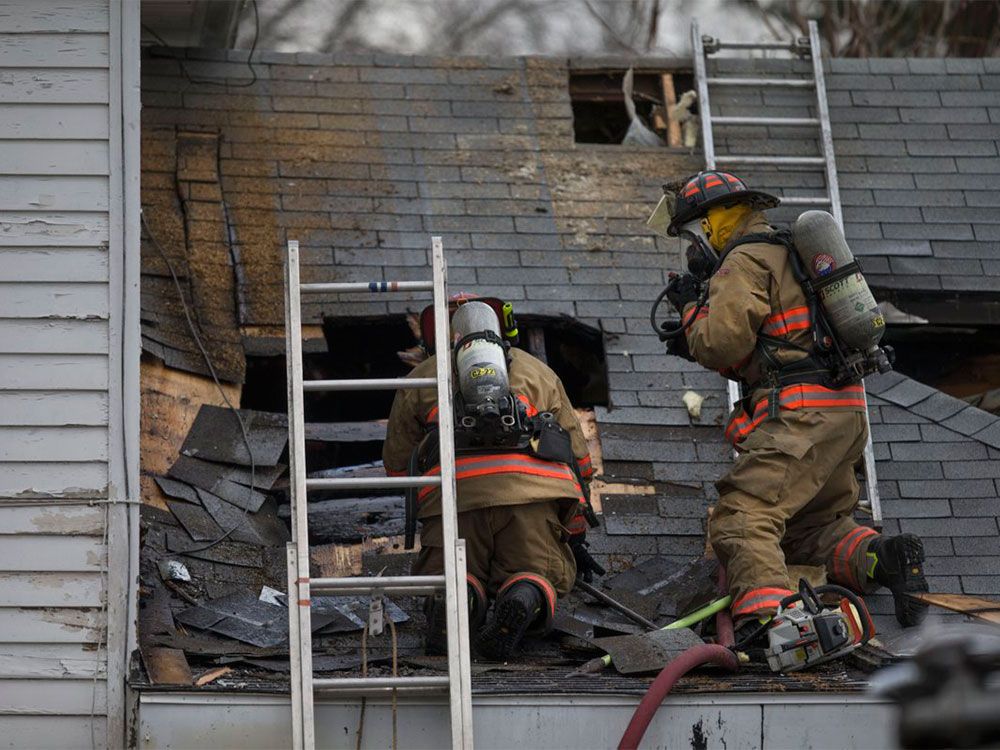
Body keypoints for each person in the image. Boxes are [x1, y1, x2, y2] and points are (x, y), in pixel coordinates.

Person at [657, 170, 928, 641]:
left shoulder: (743, 260)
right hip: (843, 414)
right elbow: (772, 350)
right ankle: (883, 559)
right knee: (806, 530)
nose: (692, 248)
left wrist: (689, 311)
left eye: (691, 235)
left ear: (712, 222)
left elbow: (719, 343)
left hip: (800, 418)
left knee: (743, 516)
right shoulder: (791, 254)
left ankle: (772, 623)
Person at [382, 294, 602, 660]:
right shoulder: (539, 372)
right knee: (534, 570)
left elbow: (397, 466)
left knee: (456, 572)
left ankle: (458, 601)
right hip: (533, 498)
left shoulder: (421, 377)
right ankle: (524, 596)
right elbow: (577, 458)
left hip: (456, 503)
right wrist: (575, 531)